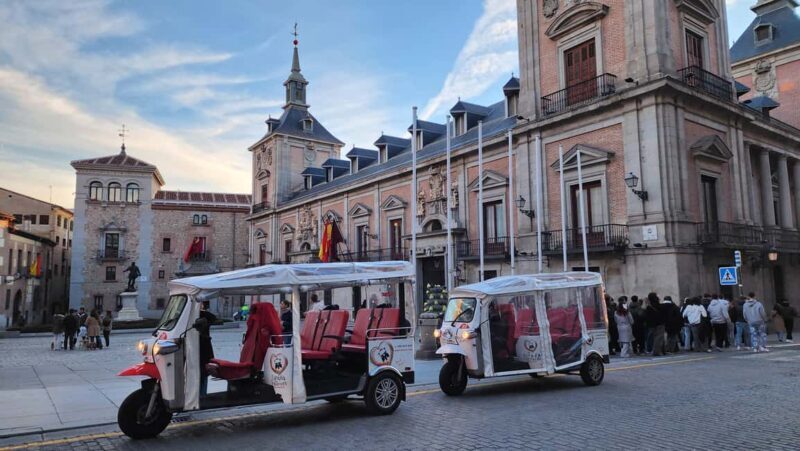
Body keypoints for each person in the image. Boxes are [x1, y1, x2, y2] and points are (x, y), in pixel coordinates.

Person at [198, 301, 217, 396]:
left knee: (203, 373)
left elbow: (213, 318)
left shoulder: (204, 316)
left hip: (203, 348)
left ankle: (202, 396)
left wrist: (201, 311)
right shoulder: (192, 317)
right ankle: (200, 395)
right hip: (196, 348)